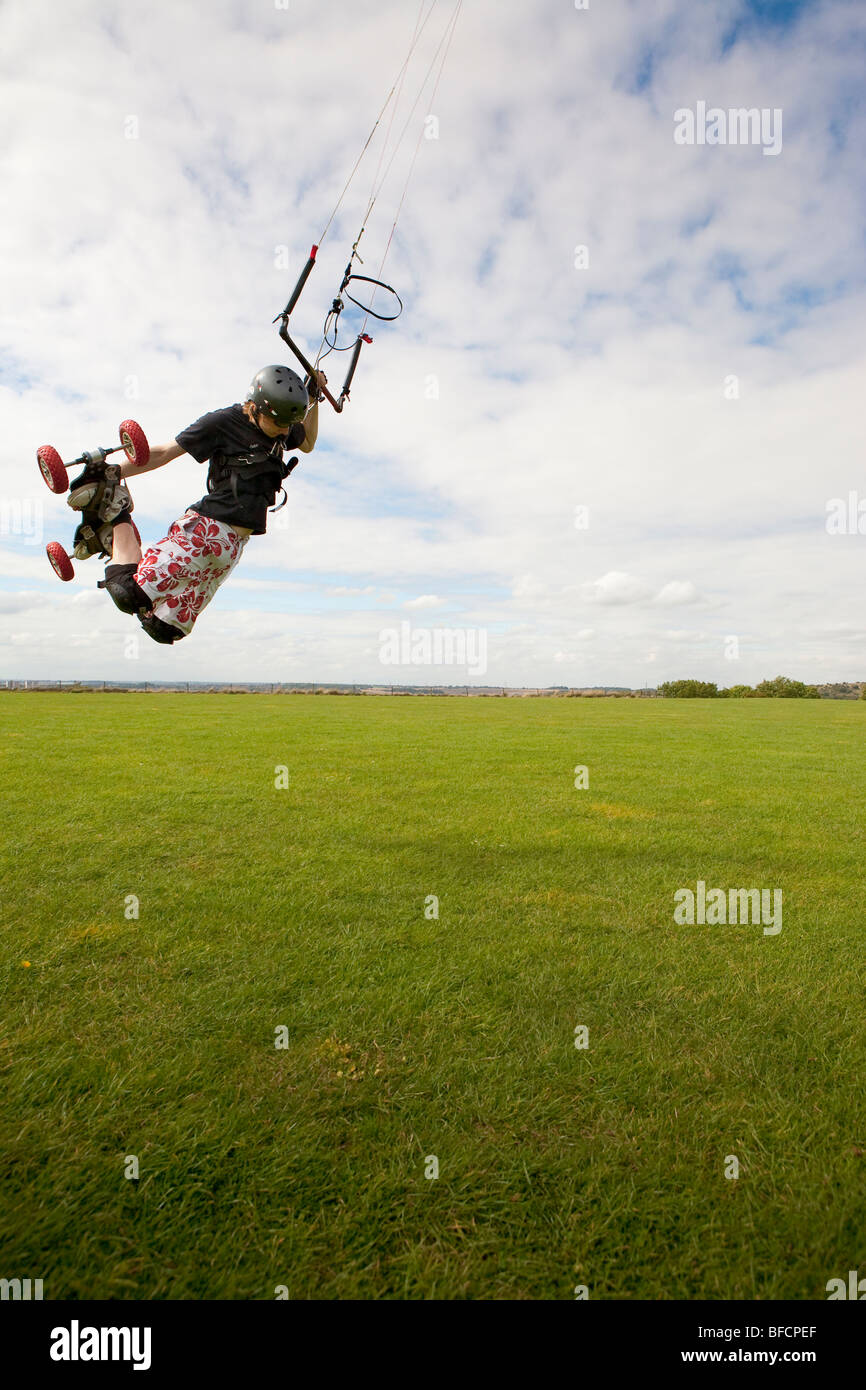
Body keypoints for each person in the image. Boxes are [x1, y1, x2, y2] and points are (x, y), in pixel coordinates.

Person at [85, 365, 325, 644]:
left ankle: (117, 545)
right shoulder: (223, 422)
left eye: (288, 425)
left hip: (231, 547)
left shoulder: (281, 424)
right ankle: (116, 510)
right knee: (128, 594)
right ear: (258, 408)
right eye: (279, 424)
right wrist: (111, 472)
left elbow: (306, 441)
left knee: (164, 629)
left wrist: (315, 396)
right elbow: (164, 452)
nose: (284, 431)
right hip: (205, 531)